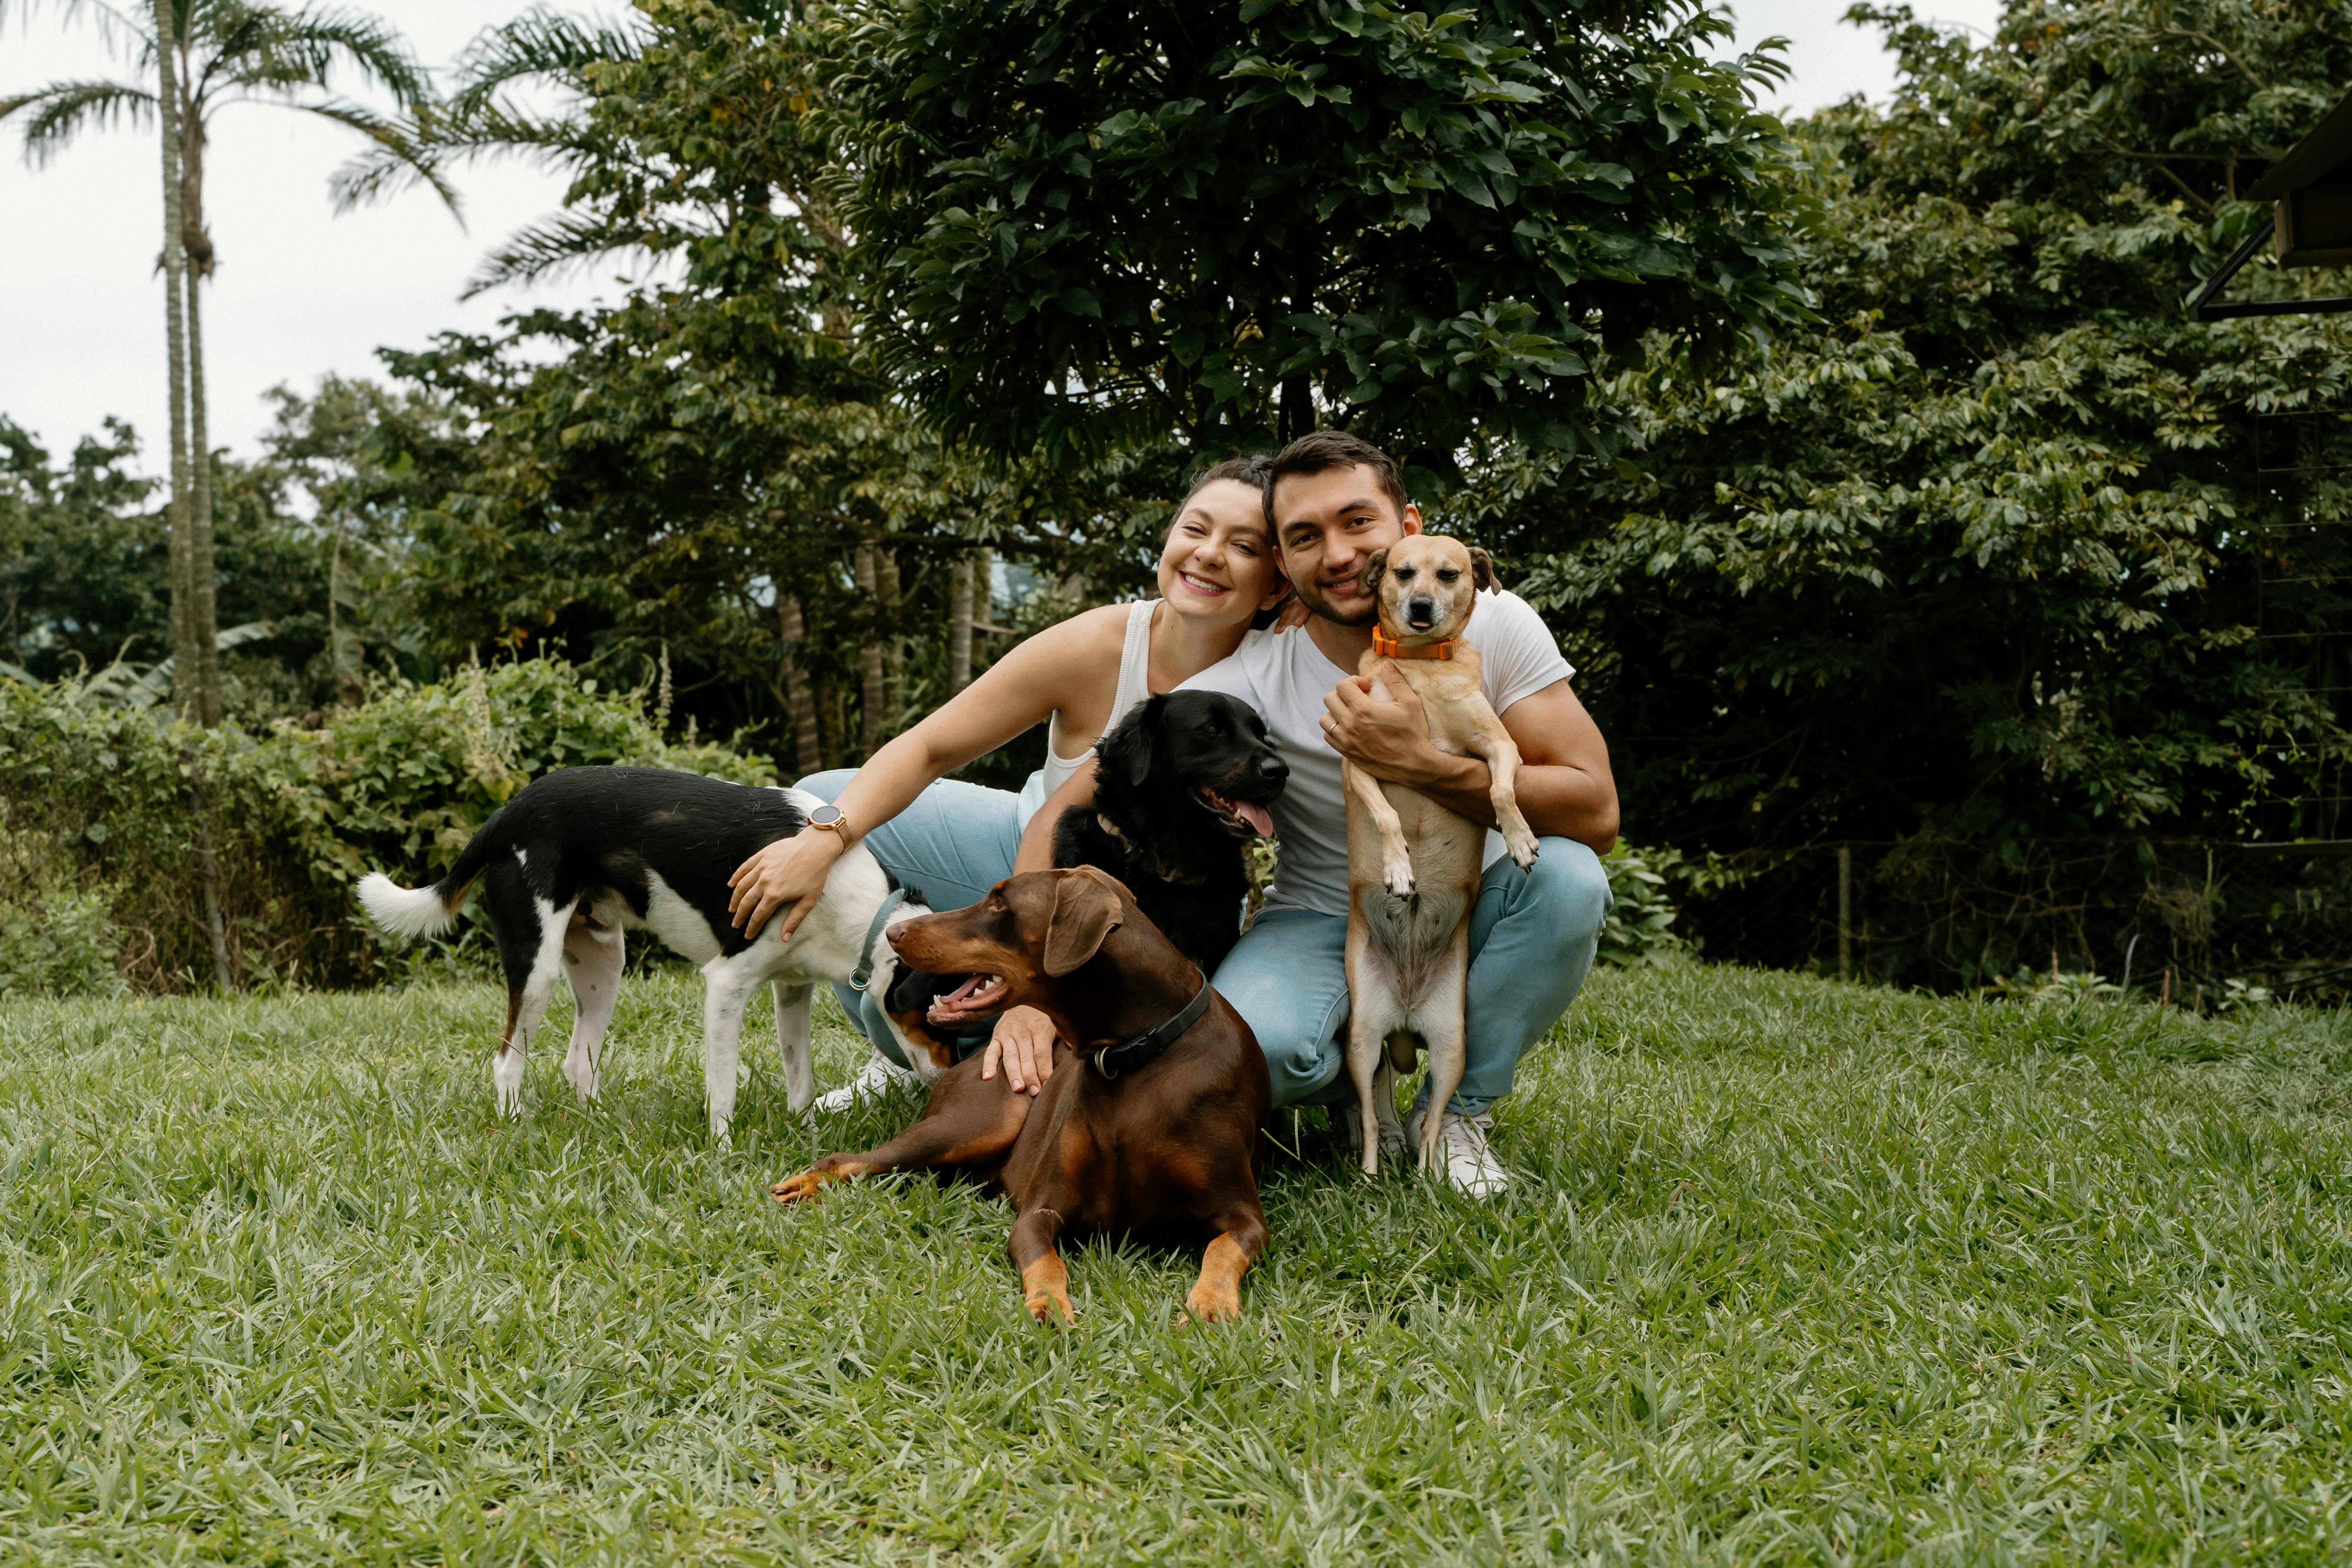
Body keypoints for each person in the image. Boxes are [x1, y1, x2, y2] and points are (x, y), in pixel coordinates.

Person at [1013, 431, 1618, 1196]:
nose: (1336, 554)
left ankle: (1457, 1115)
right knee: (1256, 1054)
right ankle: (1351, 1091)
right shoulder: (1256, 673)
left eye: (1356, 521)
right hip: (1320, 915)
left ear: (1407, 523)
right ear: (1283, 566)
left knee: (1569, 877)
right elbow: (1082, 797)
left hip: (1467, 898)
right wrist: (1035, 986)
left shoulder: (1492, 623)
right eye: (1303, 537)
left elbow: (1595, 808)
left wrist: (1420, 763)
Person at [724, 456, 1292, 1106]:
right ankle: (907, 1046)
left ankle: (1008, 1051)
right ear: (1168, 538)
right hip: (1033, 845)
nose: (1210, 555)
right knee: (822, 797)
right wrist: (825, 834)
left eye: (1243, 545)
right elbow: (933, 745)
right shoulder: (1097, 644)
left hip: (1171, 897)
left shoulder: (1274, 666)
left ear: (1275, 585)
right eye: (1196, 529)